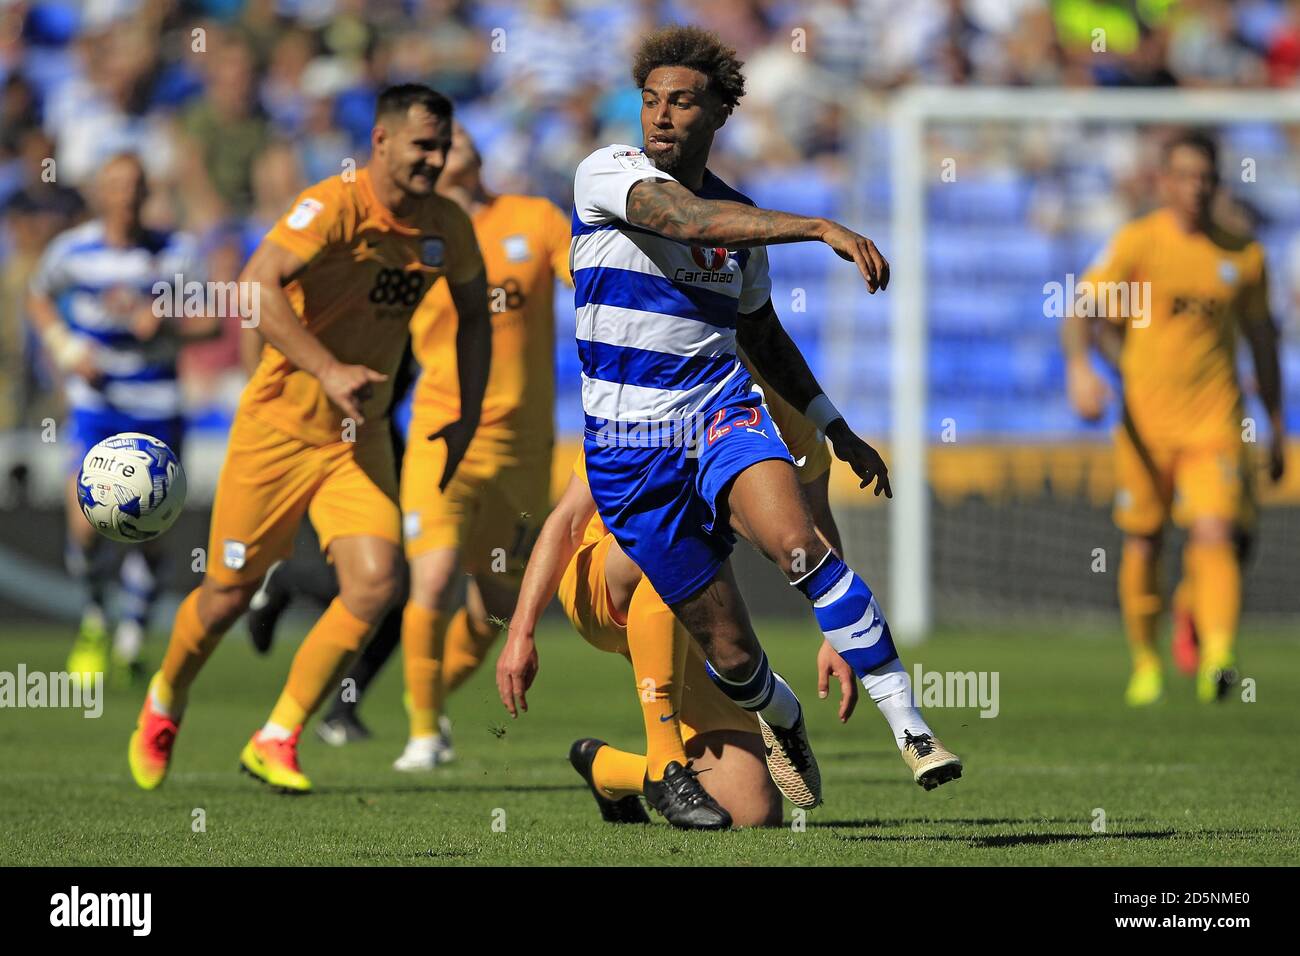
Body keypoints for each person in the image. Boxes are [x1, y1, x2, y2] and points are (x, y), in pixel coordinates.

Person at [500, 25, 962, 811]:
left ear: (719, 113)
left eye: (682, 102)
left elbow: (761, 334)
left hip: (719, 413)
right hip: (630, 451)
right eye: (651, 101)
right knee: (734, 654)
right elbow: (685, 222)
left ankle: (912, 730)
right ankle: (778, 713)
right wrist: (819, 225)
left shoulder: (742, 223)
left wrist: (836, 427)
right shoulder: (607, 174)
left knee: (800, 551)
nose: (661, 117)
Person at [127, 85, 492, 794]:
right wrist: (325, 369)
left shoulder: (447, 224)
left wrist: (469, 410)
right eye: (422, 146)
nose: (434, 159)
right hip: (279, 429)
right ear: (381, 142)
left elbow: (476, 314)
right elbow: (255, 287)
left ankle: (278, 735)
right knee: (226, 595)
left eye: (442, 147)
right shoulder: (332, 206)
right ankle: (166, 697)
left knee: (379, 581)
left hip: (356, 438)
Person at [501, 372, 859, 829]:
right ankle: (665, 764)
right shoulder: (653, 384)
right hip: (604, 583)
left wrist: (837, 629)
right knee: (670, 539)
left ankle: (607, 770)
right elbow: (569, 520)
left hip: (690, 608)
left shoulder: (784, 408)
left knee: (752, 812)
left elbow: (814, 526)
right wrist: (521, 631)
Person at [1064, 130, 1285, 705]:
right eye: (1184, 176)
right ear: (1164, 181)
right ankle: (1146, 662)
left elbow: (1264, 344)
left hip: (1215, 424)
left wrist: (1279, 427)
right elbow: (1082, 308)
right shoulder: (1138, 244)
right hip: (1144, 427)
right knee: (1144, 541)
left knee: (1216, 531)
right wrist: (1081, 371)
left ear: (1217, 183)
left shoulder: (1244, 256)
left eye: (1205, 178)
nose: (1195, 188)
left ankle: (1218, 655)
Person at [27, 153, 213, 685]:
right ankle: (93, 618)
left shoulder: (176, 253)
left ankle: (134, 629)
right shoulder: (73, 250)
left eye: (134, 187)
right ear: (100, 193)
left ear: (146, 191)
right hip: (97, 404)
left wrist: (168, 324)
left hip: (157, 405)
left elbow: (211, 323)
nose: (125, 197)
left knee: (148, 532)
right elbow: (38, 295)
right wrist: (64, 347)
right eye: (115, 186)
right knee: (86, 524)